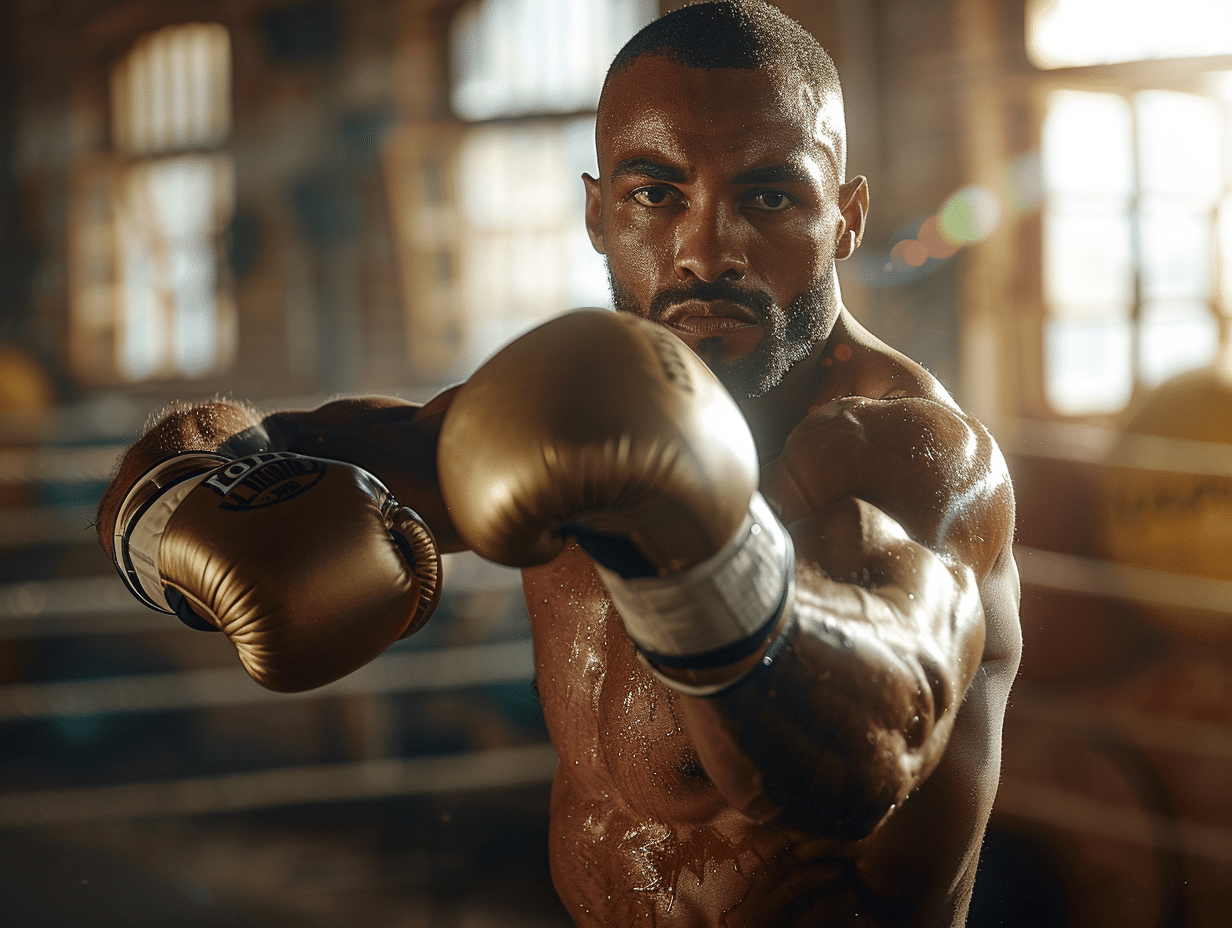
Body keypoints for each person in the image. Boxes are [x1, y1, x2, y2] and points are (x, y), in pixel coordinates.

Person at [97, 2, 1021, 925]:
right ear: (596, 212)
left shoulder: (912, 458)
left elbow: (870, 740)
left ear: (846, 218)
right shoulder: (557, 414)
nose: (706, 251)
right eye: (656, 195)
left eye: (769, 197)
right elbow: (188, 458)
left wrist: (685, 539)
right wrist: (185, 510)